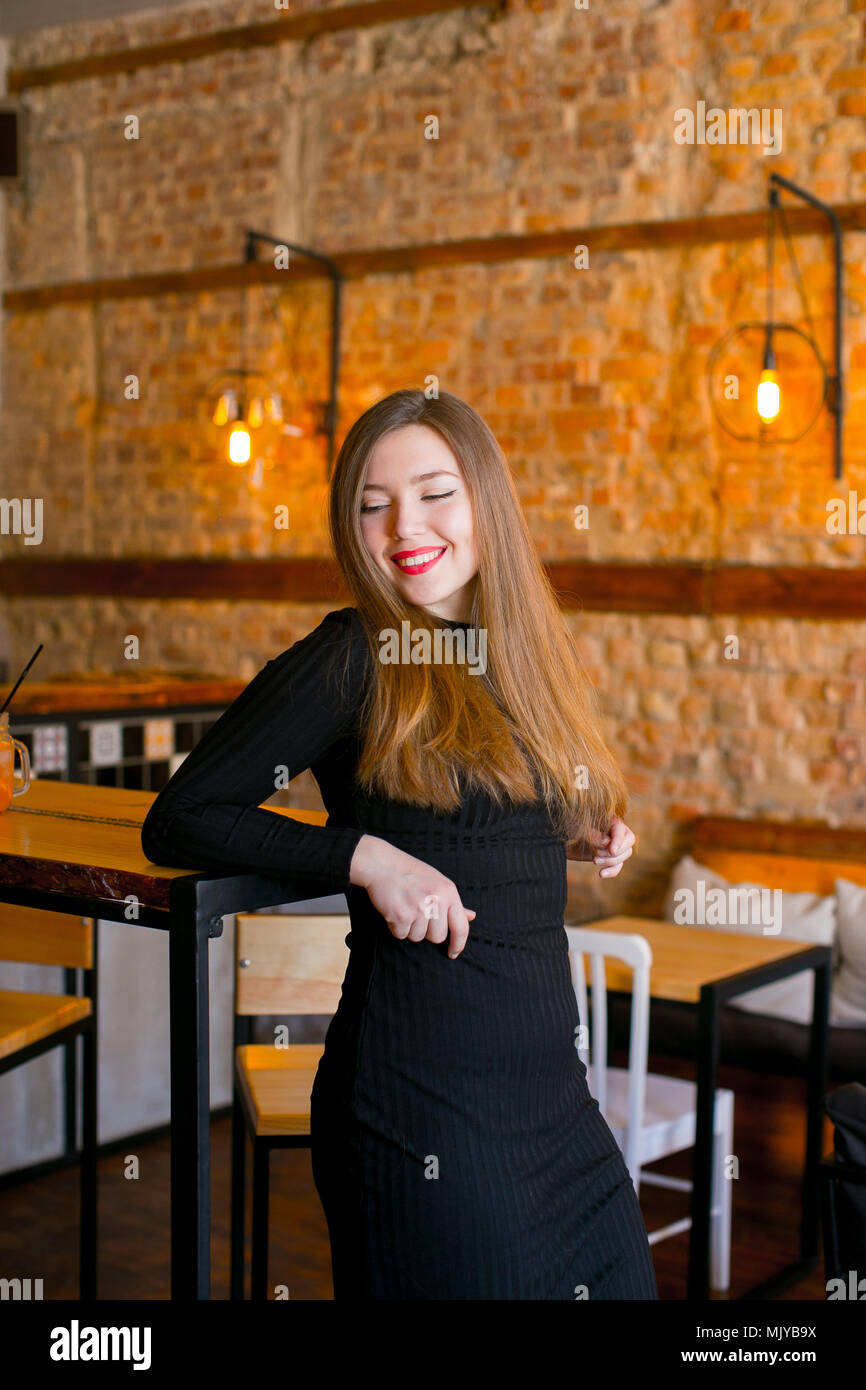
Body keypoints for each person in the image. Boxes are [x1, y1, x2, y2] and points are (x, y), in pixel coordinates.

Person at [140, 388, 658, 1300]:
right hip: (427, 1117)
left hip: (557, 1109)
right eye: (373, 505)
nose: (401, 526)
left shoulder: (515, 653)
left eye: (433, 493)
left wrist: (573, 823)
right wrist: (365, 856)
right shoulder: (354, 656)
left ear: (485, 502)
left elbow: (475, 806)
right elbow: (184, 814)